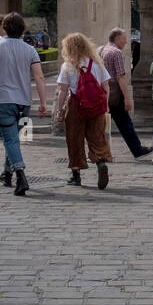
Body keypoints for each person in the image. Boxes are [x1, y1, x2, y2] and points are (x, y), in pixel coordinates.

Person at [0, 12, 48, 196]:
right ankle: (7, 173)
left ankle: (20, 175)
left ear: (4, 28)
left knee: (10, 139)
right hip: (24, 101)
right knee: (13, 139)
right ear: (22, 29)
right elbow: (39, 77)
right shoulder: (30, 50)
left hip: (3, 100)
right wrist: (43, 103)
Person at [54, 33, 113, 188]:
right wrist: (104, 106)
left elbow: (62, 90)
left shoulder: (67, 66)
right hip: (96, 106)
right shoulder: (97, 64)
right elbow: (106, 86)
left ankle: (76, 175)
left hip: (76, 105)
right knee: (97, 137)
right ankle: (100, 163)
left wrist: (59, 111)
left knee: (74, 139)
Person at [98, 28, 151, 159]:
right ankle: (137, 150)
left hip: (102, 92)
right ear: (116, 39)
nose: (126, 42)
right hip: (115, 94)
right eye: (124, 39)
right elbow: (121, 77)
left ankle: (99, 151)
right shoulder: (116, 53)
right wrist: (127, 98)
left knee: (101, 124)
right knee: (125, 123)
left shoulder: (100, 49)